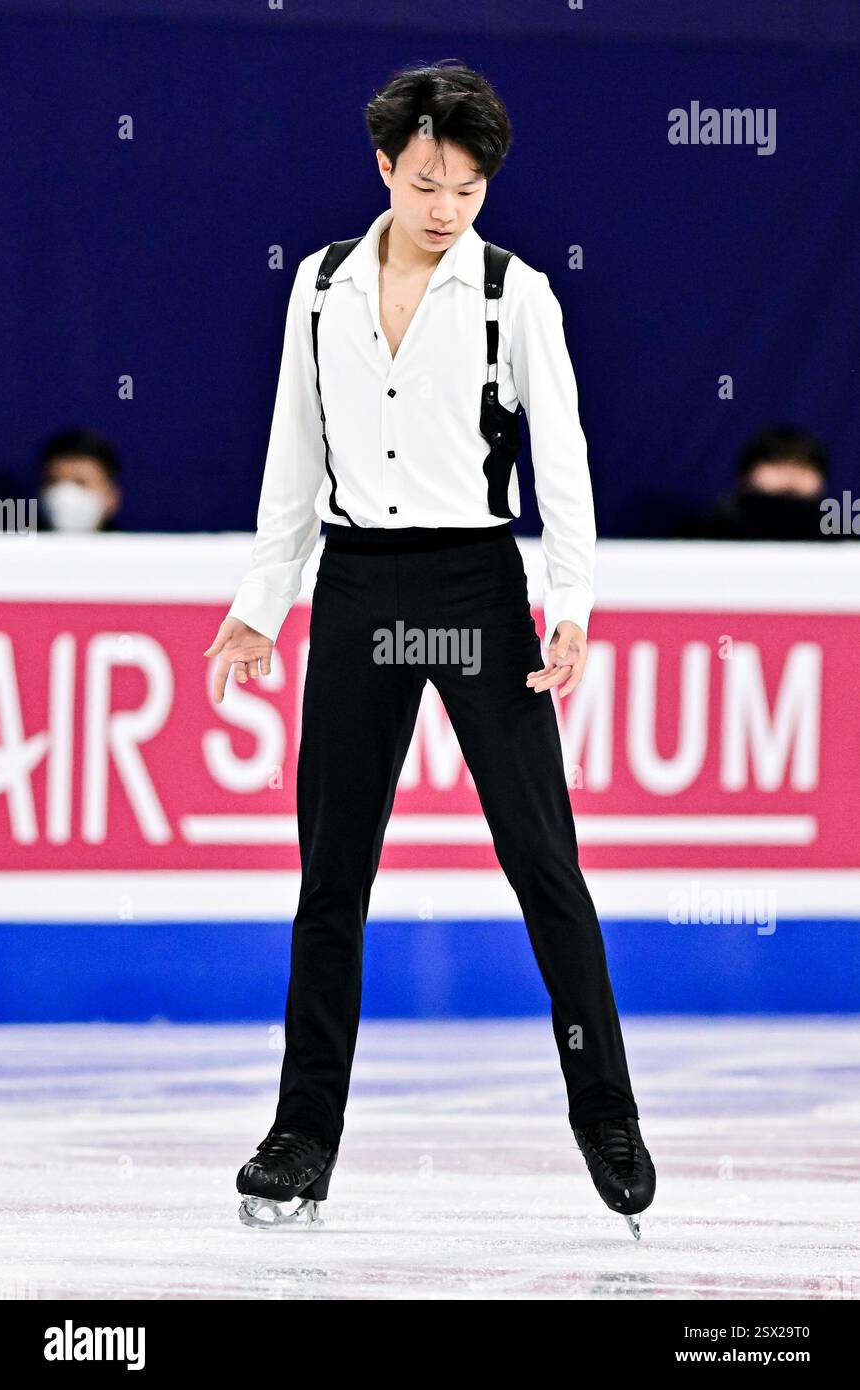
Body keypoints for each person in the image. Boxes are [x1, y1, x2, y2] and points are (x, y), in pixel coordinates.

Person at [204, 59, 655, 1237]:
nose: (444, 208)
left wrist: (571, 604)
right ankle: (301, 1134)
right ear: (383, 167)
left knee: (541, 863)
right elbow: (290, 464)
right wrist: (263, 601)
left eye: (466, 188)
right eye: (423, 183)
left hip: (472, 581)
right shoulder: (316, 289)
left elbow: (563, 461)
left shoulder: (516, 296)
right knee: (330, 879)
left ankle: (605, 1110)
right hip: (355, 586)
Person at [674, 423, 835, 540]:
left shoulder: (842, 541)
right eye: (777, 463)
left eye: (803, 466)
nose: (790, 475)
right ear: (746, 475)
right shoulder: (702, 535)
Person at [36, 427, 123, 533]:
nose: (65, 493)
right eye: (53, 481)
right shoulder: (17, 544)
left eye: (80, 482)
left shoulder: (134, 548)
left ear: (111, 496)